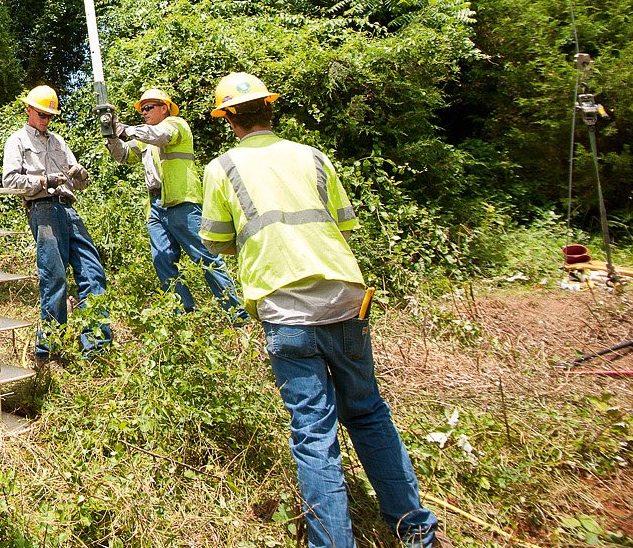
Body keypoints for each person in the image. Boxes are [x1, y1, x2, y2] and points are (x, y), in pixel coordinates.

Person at [200, 72, 444, 548]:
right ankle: (414, 529)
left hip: (284, 309)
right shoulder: (313, 156)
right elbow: (343, 224)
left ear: (229, 117)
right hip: (345, 298)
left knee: (313, 432)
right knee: (369, 412)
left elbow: (215, 241)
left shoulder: (222, 167)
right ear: (269, 109)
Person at [106, 86, 245, 320]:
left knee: (205, 257)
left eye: (149, 108)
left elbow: (161, 136)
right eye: (142, 109)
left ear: (164, 109)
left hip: (182, 202)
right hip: (157, 205)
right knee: (163, 259)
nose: (144, 112)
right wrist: (111, 135)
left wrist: (126, 129)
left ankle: (237, 315)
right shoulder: (145, 138)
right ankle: (183, 314)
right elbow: (122, 156)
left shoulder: (177, 125)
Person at [2, 84, 112, 364]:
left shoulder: (58, 142)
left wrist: (80, 175)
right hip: (43, 209)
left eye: (49, 116)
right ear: (28, 109)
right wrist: (43, 181)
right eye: (40, 113)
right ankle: (48, 352)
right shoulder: (17, 140)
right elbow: (10, 181)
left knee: (93, 272)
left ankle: (97, 349)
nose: (45, 119)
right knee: (55, 278)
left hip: (69, 211)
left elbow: (79, 182)